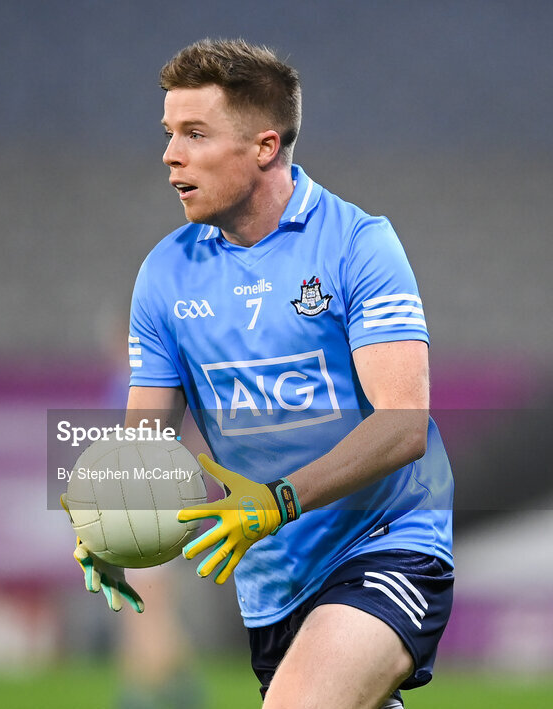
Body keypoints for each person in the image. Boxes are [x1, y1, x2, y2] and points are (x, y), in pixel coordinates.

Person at [71, 39, 454, 709]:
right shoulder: (165, 274)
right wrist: (113, 523)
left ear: (265, 147)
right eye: (168, 133)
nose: (170, 154)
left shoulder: (358, 245)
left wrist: (277, 500)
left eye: (195, 133)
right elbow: (146, 446)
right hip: (274, 582)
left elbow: (402, 424)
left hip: (385, 544)